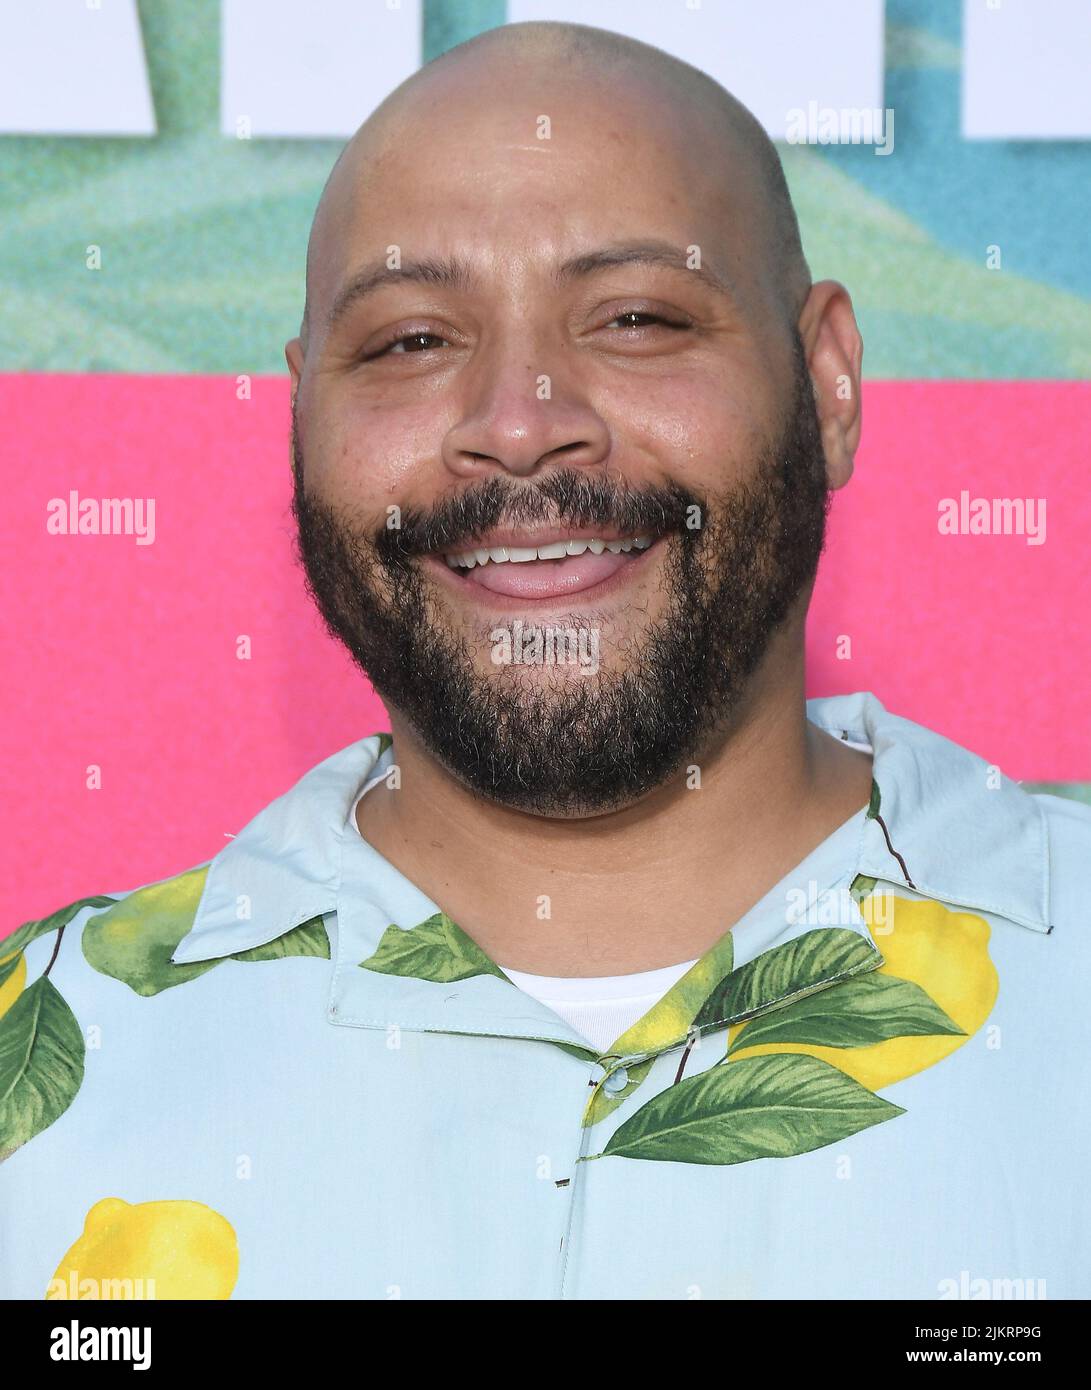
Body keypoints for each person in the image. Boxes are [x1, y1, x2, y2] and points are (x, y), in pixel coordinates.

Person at [3, 20, 1088, 1302]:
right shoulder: (41, 1072)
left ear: (826, 380)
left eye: (633, 317)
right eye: (411, 341)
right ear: (299, 414)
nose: (517, 424)